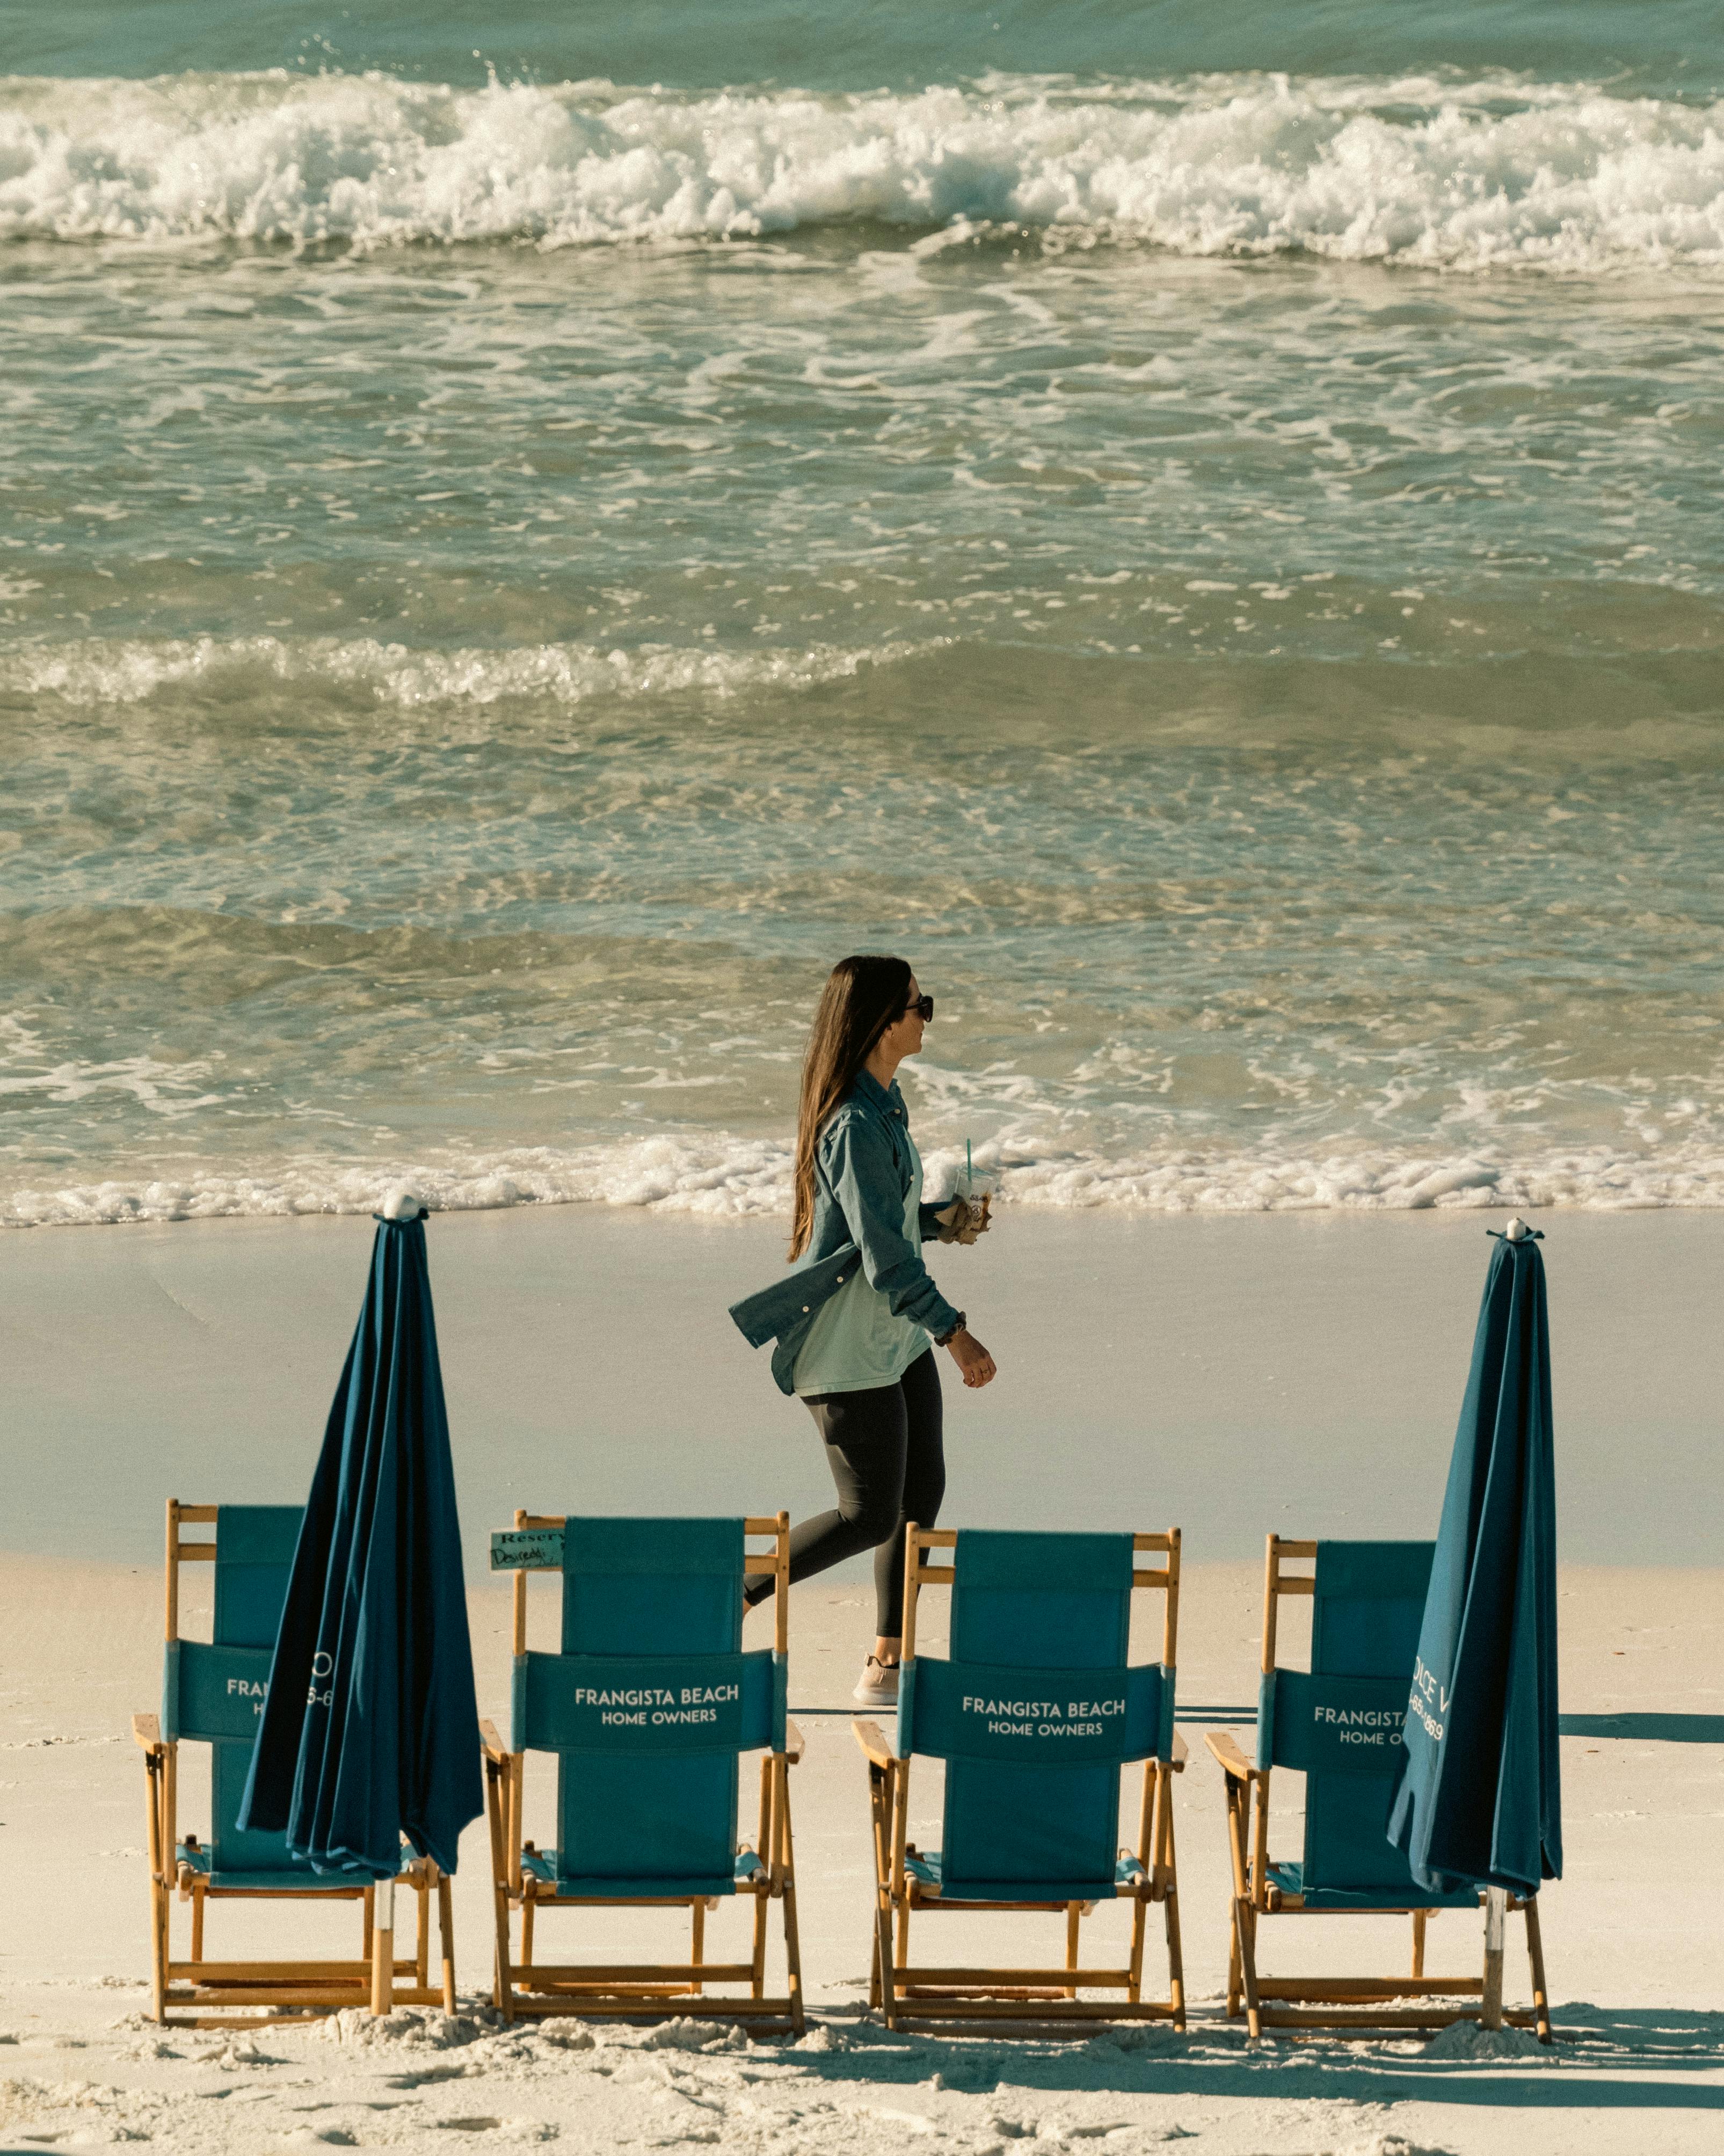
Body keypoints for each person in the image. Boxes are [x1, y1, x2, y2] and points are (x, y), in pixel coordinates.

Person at [728, 955, 996, 1704]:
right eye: (919, 1006)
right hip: (851, 1343)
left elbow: (880, 1224)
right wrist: (956, 1332)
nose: (926, 1016)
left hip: (892, 1335)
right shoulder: (852, 1123)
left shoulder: (886, 1103)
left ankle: (887, 1661)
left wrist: (941, 1222)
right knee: (867, 1512)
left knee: (920, 1493)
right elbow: (881, 1260)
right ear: (883, 1022)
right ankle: (735, 1596)